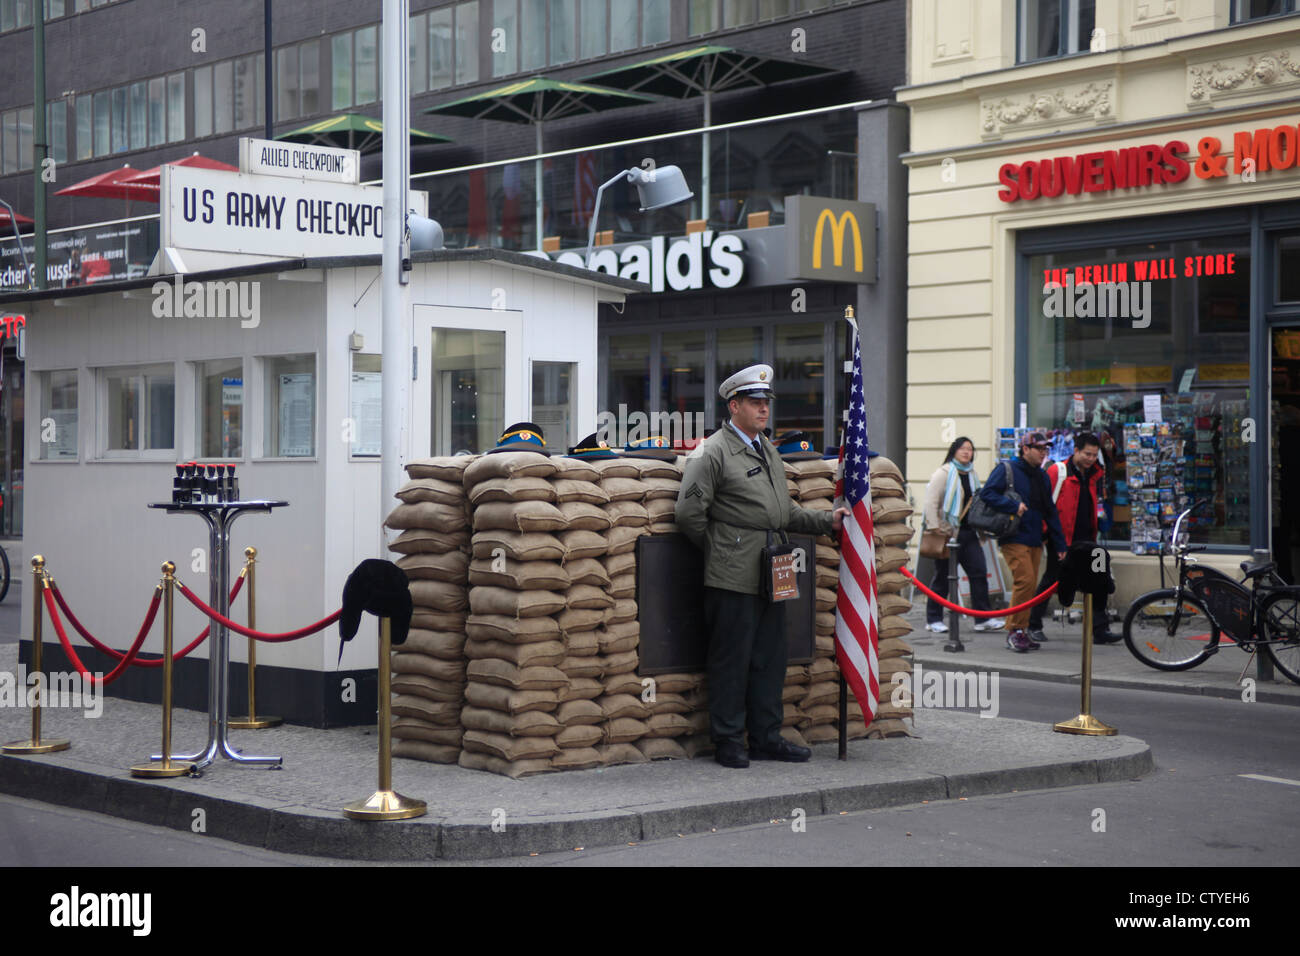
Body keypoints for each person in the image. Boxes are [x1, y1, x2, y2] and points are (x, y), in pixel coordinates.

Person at [676, 364, 850, 769]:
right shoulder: (713, 450)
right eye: (755, 403)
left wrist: (828, 522)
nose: (763, 409)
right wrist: (723, 548)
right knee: (731, 659)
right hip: (733, 571)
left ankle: (767, 736)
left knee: (769, 658)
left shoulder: (765, 448)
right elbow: (688, 513)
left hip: (775, 568)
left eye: (765, 403)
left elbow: (782, 511)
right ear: (733, 405)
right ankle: (728, 740)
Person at [977, 431, 1066, 653]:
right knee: (1024, 581)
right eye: (1040, 449)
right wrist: (1012, 506)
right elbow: (987, 493)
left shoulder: (1043, 476)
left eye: (1046, 449)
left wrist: (1060, 543)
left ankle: (1022, 630)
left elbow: (1050, 511)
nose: (1044, 453)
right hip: (1013, 535)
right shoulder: (1007, 469)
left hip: (1035, 538)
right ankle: (1015, 630)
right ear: (1025, 449)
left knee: (1029, 585)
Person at [1027, 432, 1119, 644]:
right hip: (1063, 540)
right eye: (1087, 454)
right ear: (1075, 451)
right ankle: (1033, 624)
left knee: (1099, 581)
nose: (1091, 459)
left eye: (1095, 455)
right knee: (1052, 580)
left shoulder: (1095, 474)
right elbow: (1044, 505)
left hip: (1089, 539)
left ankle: (1100, 629)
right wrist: (1046, 535)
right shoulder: (1058, 471)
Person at [921, 437, 1004, 634]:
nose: (967, 452)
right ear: (954, 451)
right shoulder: (944, 473)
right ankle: (933, 619)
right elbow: (931, 502)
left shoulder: (972, 473)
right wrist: (936, 527)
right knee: (942, 577)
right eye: (963, 449)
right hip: (948, 533)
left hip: (969, 532)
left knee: (979, 573)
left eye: (970, 449)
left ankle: (982, 618)